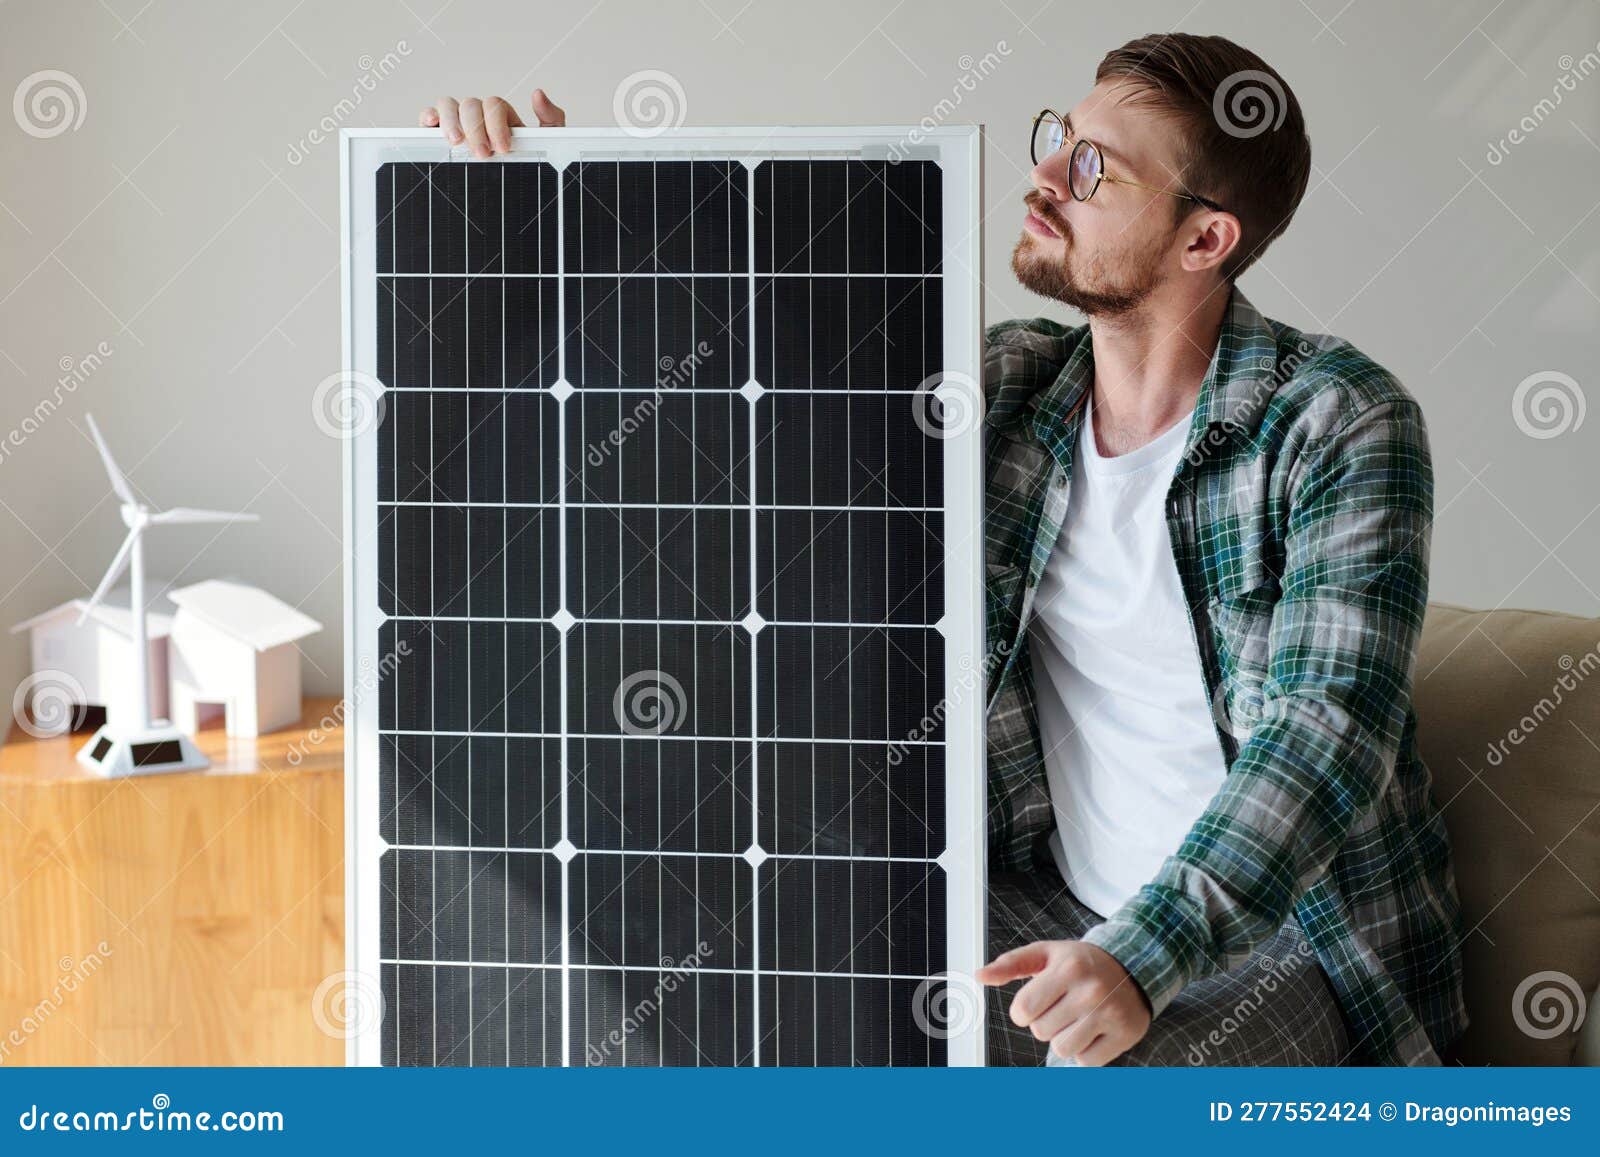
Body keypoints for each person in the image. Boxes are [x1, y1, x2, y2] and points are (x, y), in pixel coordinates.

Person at [420, 30, 1466, 1067]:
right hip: (1046, 896)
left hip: (1277, 949)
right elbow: (737, 431)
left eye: (1095, 167)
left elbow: (1324, 734)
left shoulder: (1336, 420)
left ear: (1204, 241)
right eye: (1059, 135)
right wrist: (566, 204)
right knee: (722, 983)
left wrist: (1146, 956)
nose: (1045, 174)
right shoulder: (1009, 391)